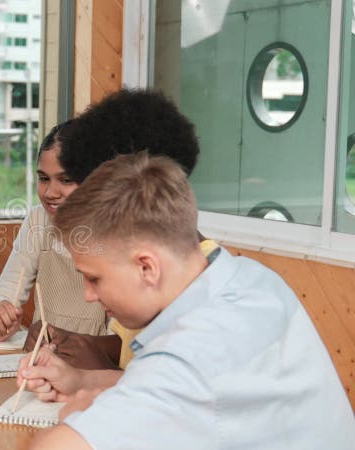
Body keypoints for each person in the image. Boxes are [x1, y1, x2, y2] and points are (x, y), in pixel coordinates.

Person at [24, 152, 355, 449]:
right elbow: (209, 393)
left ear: (147, 267)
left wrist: (76, 416)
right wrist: (82, 381)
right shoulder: (252, 279)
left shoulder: (189, 358)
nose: (88, 294)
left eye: (94, 278)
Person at [22, 89, 203, 372]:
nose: (89, 295)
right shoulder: (175, 269)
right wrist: (82, 352)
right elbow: (135, 353)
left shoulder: (207, 313)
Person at [0, 120, 119, 369]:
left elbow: (123, 345)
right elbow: (7, 293)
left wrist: (76, 343)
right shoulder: (38, 220)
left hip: (98, 372)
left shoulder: (119, 234)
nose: (50, 192)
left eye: (66, 180)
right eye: (44, 179)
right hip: (43, 366)